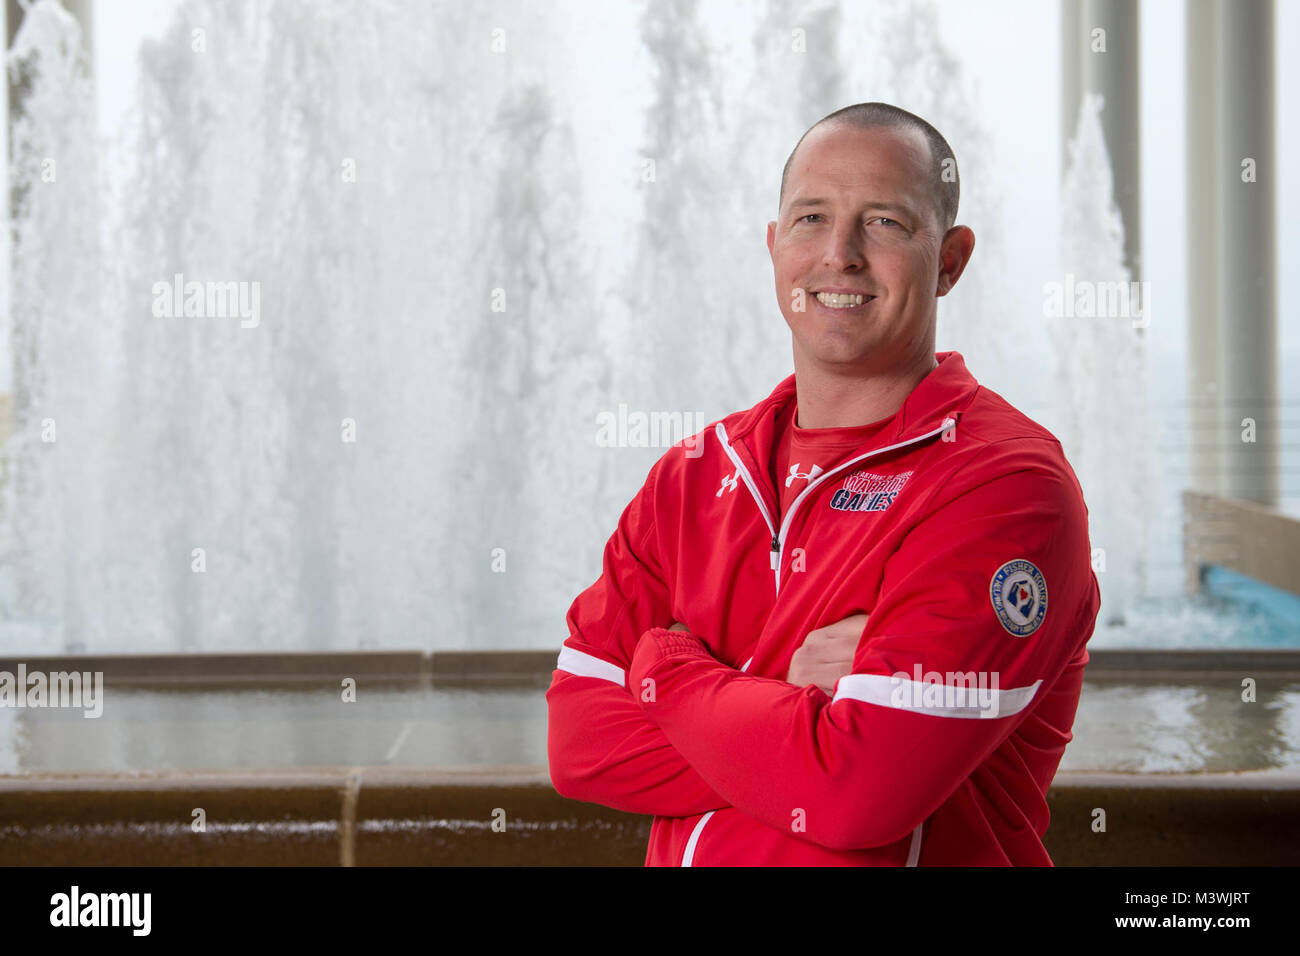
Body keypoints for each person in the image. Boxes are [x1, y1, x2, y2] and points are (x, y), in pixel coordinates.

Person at [546, 102, 1102, 866]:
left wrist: (670, 671)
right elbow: (581, 746)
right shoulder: (691, 476)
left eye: (885, 223)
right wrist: (794, 703)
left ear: (950, 259)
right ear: (774, 247)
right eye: (811, 218)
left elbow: (856, 789)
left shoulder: (1004, 487)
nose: (839, 254)